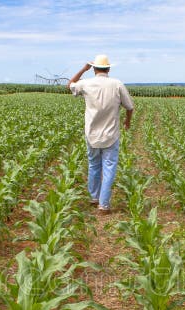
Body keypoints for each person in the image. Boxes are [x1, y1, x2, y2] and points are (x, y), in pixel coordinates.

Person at [68, 54, 134, 213]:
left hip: (91, 135)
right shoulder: (116, 84)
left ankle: (94, 197)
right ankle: (103, 205)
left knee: (93, 165)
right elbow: (129, 107)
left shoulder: (85, 83)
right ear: (108, 68)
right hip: (111, 135)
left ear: (94, 68)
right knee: (109, 168)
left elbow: (70, 85)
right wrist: (127, 122)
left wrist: (84, 69)